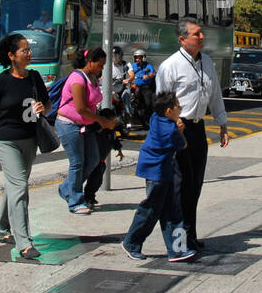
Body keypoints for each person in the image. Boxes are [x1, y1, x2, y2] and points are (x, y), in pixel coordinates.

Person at [155, 16, 229, 250]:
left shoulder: (206, 62)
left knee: (195, 185)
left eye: (201, 33)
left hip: (198, 128)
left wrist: (223, 124)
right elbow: (161, 102)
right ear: (182, 39)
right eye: (196, 34)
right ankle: (177, 243)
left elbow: (215, 94)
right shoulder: (170, 66)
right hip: (179, 129)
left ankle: (191, 235)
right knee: (178, 187)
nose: (201, 37)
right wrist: (170, 126)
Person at [0, 33, 48, 261]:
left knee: (16, 185)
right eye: (24, 50)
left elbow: (48, 103)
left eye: (29, 49)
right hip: (6, 140)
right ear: (11, 56)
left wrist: (44, 108)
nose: (29, 53)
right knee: (20, 188)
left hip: (29, 139)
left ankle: (3, 228)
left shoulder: (34, 78)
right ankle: (24, 242)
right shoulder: (0, 82)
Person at [120, 91, 196, 263]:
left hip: (162, 171)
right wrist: (180, 130)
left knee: (172, 209)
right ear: (169, 111)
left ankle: (177, 250)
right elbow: (182, 145)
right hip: (158, 172)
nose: (180, 108)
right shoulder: (170, 130)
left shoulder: (156, 118)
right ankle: (131, 242)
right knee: (152, 210)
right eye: (177, 106)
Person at [54, 47, 114, 214]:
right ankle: (75, 201)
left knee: (93, 159)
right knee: (77, 163)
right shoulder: (77, 78)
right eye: (100, 65)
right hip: (69, 125)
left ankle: (66, 188)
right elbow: (81, 108)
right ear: (90, 62)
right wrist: (101, 120)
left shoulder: (92, 78)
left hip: (86, 126)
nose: (102, 68)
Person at [126, 49, 156, 128]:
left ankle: (147, 119)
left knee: (148, 103)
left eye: (139, 58)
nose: (137, 59)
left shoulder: (148, 65)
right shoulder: (134, 65)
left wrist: (148, 76)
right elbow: (130, 72)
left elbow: (152, 73)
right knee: (134, 100)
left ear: (143, 58)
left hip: (146, 87)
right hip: (136, 86)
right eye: (136, 58)